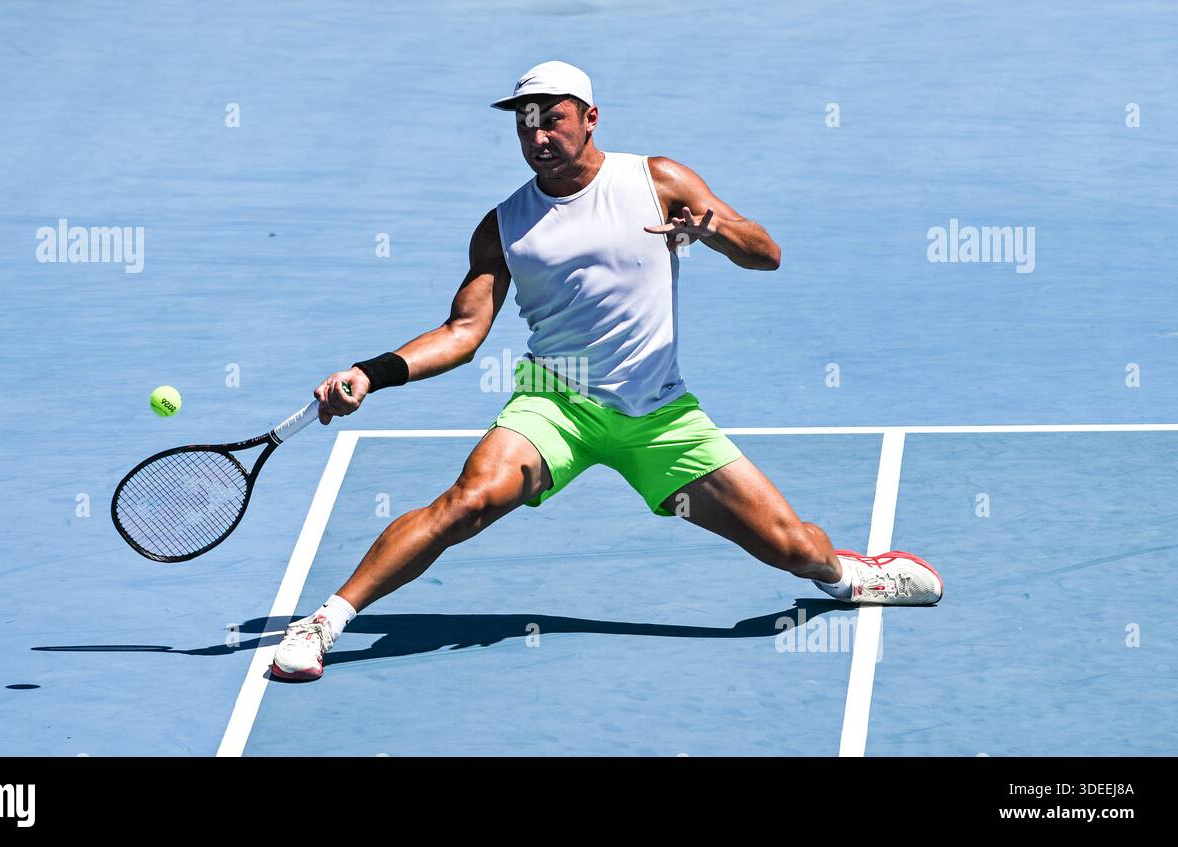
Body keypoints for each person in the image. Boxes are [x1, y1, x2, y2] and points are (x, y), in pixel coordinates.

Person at [271, 61, 942, 681]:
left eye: (551, 116)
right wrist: (372, 371)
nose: (537, 133)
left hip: (659, 415)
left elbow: (766, 253)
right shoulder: (503, 226)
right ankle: (324, 622)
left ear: (591, 117)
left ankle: (848, 575)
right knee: (468, 501)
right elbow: (463, 332)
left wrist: (710, 230)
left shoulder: (656, 180)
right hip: (554, 406)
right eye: (524, 120)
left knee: (793, 547)